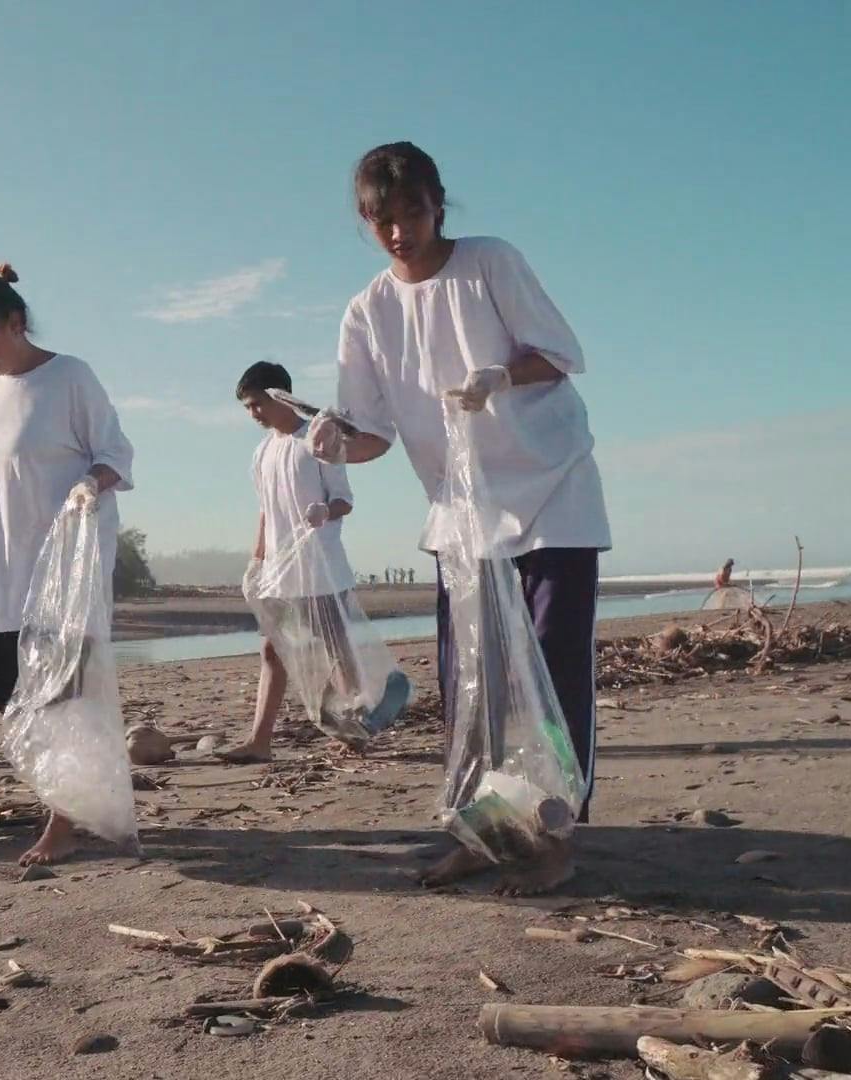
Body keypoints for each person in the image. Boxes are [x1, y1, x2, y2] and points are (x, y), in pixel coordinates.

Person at [310, 142, 611, 895]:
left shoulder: (489, 263)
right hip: (463, 510)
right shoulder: (368, 310)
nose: (399, 232)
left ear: (438, 203)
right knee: (469, 679)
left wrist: (501, 374)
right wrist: (333, 438)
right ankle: (485, 831)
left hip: (551, 489)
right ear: (364, 221)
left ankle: (550, 837)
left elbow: (561, 353)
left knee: (552, 662)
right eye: (382, 219)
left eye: (411, 212)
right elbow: (373, 435)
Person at [0, 264, 137, 866]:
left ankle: (63, 821)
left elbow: (115, 453)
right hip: (4, 564)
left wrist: (88, 485)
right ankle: (79, 800)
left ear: (16, 323)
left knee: (59, 694)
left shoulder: (70, 377)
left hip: (68, 561)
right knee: (3, 686)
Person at [219, 360, 376, 763]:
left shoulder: (318, 441)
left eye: (256, 404)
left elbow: (345, 500)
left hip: (320, 568)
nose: (253, 414)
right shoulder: (263, 452)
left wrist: (325, 511)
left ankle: (356, 729)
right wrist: (256, 562)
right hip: (278, 570)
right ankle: (259, 742)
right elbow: (266, 512)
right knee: (273, 651)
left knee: (337, 649)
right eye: (247, 408)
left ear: (279, 396)